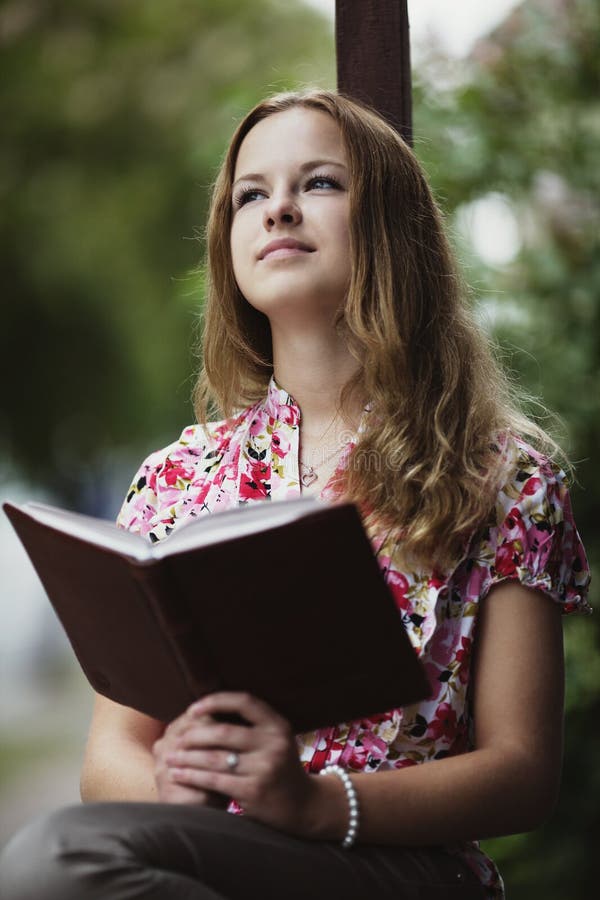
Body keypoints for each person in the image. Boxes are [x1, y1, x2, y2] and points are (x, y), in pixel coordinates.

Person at [0, 90, 591, 900]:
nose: (277, 208)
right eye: (251, 193)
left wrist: (317, 804)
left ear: (392, 225)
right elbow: (110, 757)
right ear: (228, 244)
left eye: (318, 184)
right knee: (54, 859)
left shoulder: (503, 473)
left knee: (54, 862)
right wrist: (173, 792)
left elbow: (524, 774)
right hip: (223, 853)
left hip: (403, 869)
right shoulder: (176, 479)